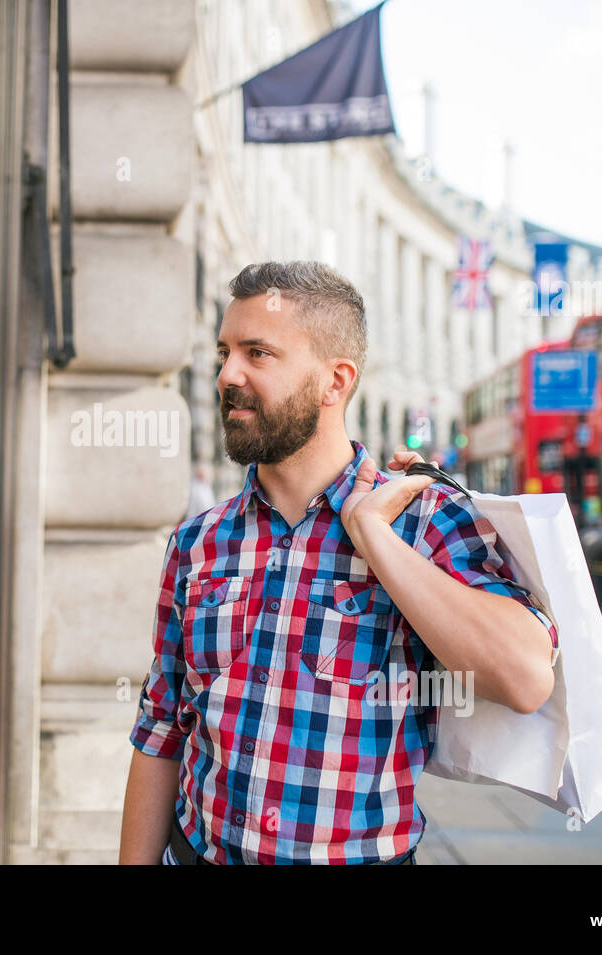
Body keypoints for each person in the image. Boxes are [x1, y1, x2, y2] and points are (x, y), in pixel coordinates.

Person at [119, 261, 559, 865]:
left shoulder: (423, 520)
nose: (227, 374)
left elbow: (525, 678)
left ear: (335, 381)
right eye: (224, 352)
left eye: (258, 353)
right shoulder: (199, 541)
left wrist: (373, 535)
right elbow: (162, 727)